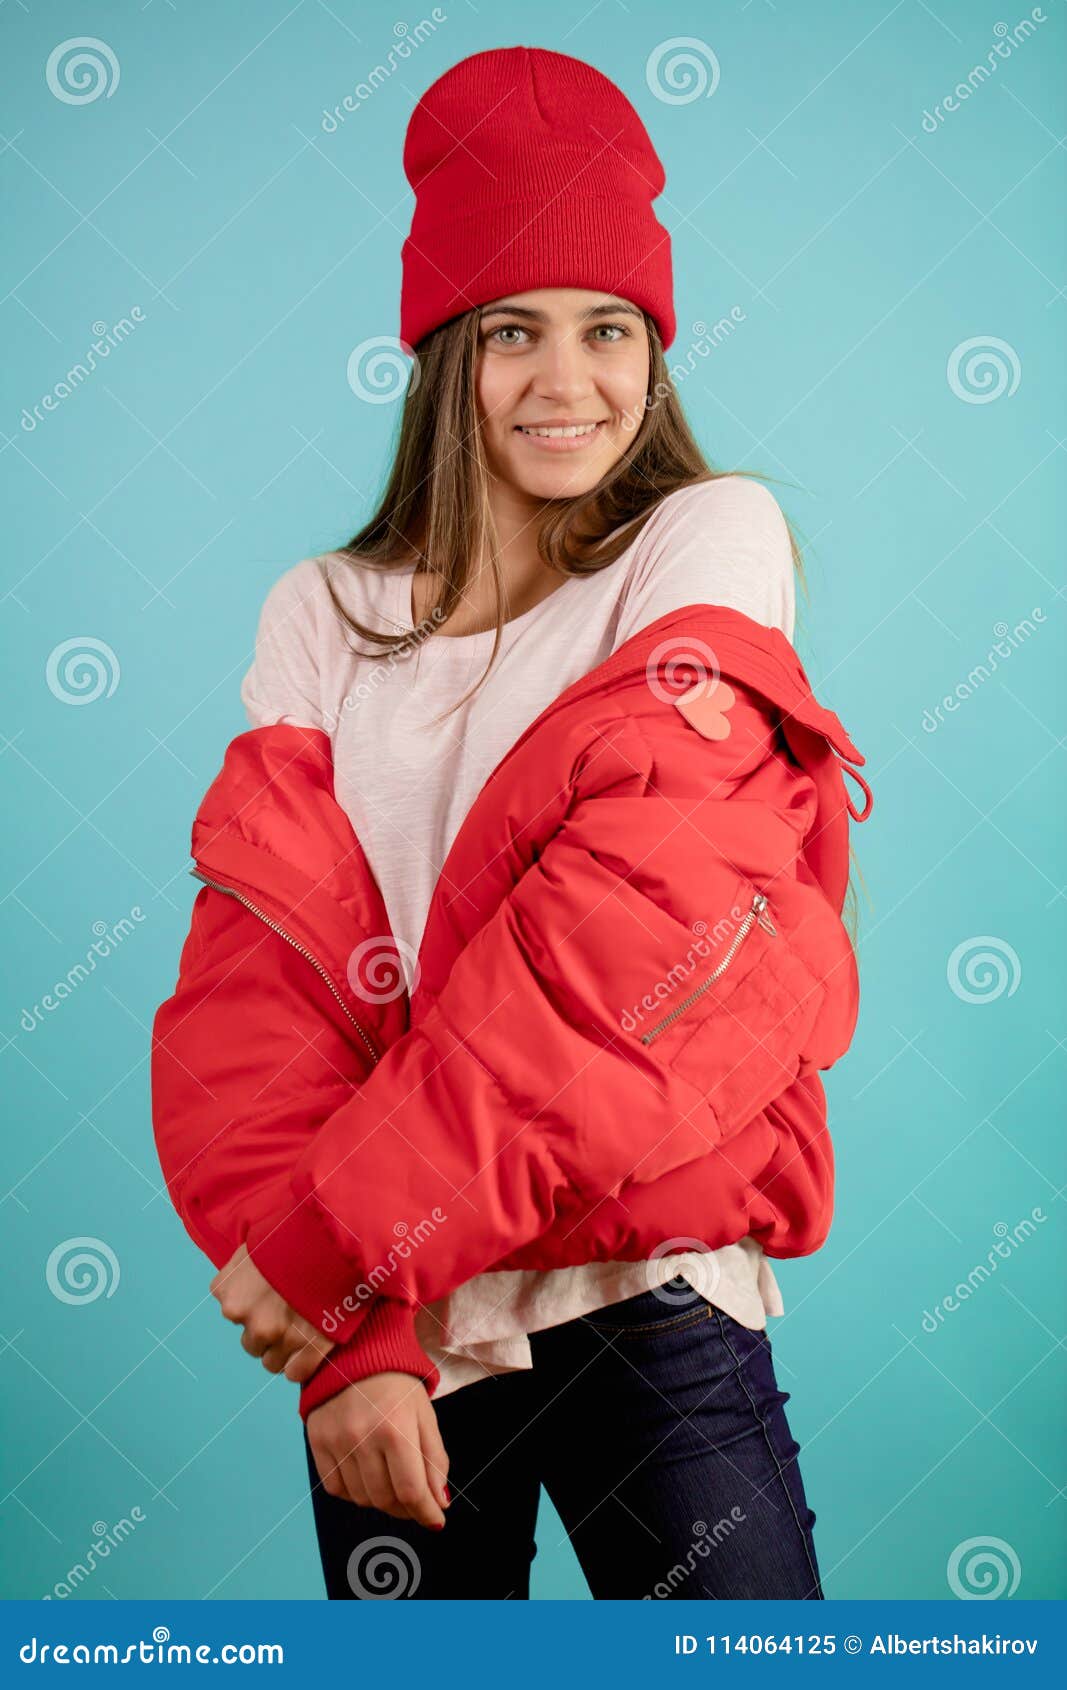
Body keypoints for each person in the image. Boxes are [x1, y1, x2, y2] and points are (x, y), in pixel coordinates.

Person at [151, 46, 873, 1601]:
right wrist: (354, 1337)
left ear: (656, 351)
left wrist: (344, 1246)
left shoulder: (704, 542)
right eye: (513, 333)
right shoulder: (321, 617)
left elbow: (636, 941)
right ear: (440, 356)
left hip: (650, 1294)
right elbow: (253, 1005)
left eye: (611, 329)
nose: (569, 383)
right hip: (406, 1343)